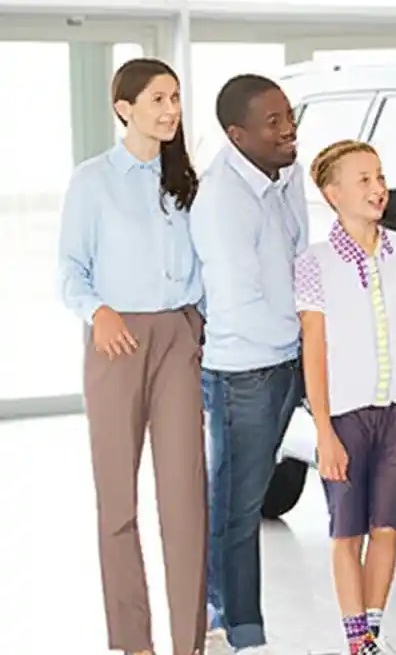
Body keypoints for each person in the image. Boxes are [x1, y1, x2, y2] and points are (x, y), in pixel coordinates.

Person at [57, 57, 207, 655]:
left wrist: (200, 326)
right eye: (158, 100)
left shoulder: (188, 180)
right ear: (125, 108)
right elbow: (70, 269)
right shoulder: (92, 181)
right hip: (115, 341)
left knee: (184, 498)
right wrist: (98, 311)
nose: (171, 110)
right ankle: (134, 643)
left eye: (175, 98)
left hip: (179, 338)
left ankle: (188, 644)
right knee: (117, 498)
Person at [293, 140, 396, 655]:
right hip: (344, 418)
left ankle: (370, 638)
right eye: (364, 180)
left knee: (387, 528)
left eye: (380, 177)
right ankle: (356, 638)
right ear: (333, 194)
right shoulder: (314, 264)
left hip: (395, 412)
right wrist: (324, 432)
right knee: (346, 532)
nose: (379, 188)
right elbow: (313, 351)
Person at [190, 74, 308, 653]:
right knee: (236, 510)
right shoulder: (219, 200)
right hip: (244, 373)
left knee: (249, 495)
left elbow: (301, 259)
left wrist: (312, 336)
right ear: (237, 135)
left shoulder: (287, 174)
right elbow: (239, 304)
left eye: (290, 116)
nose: (288, 130)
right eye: (273, 122)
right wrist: (306, 333)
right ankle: (236, 629)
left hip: (288, 357)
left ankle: (226, 617)